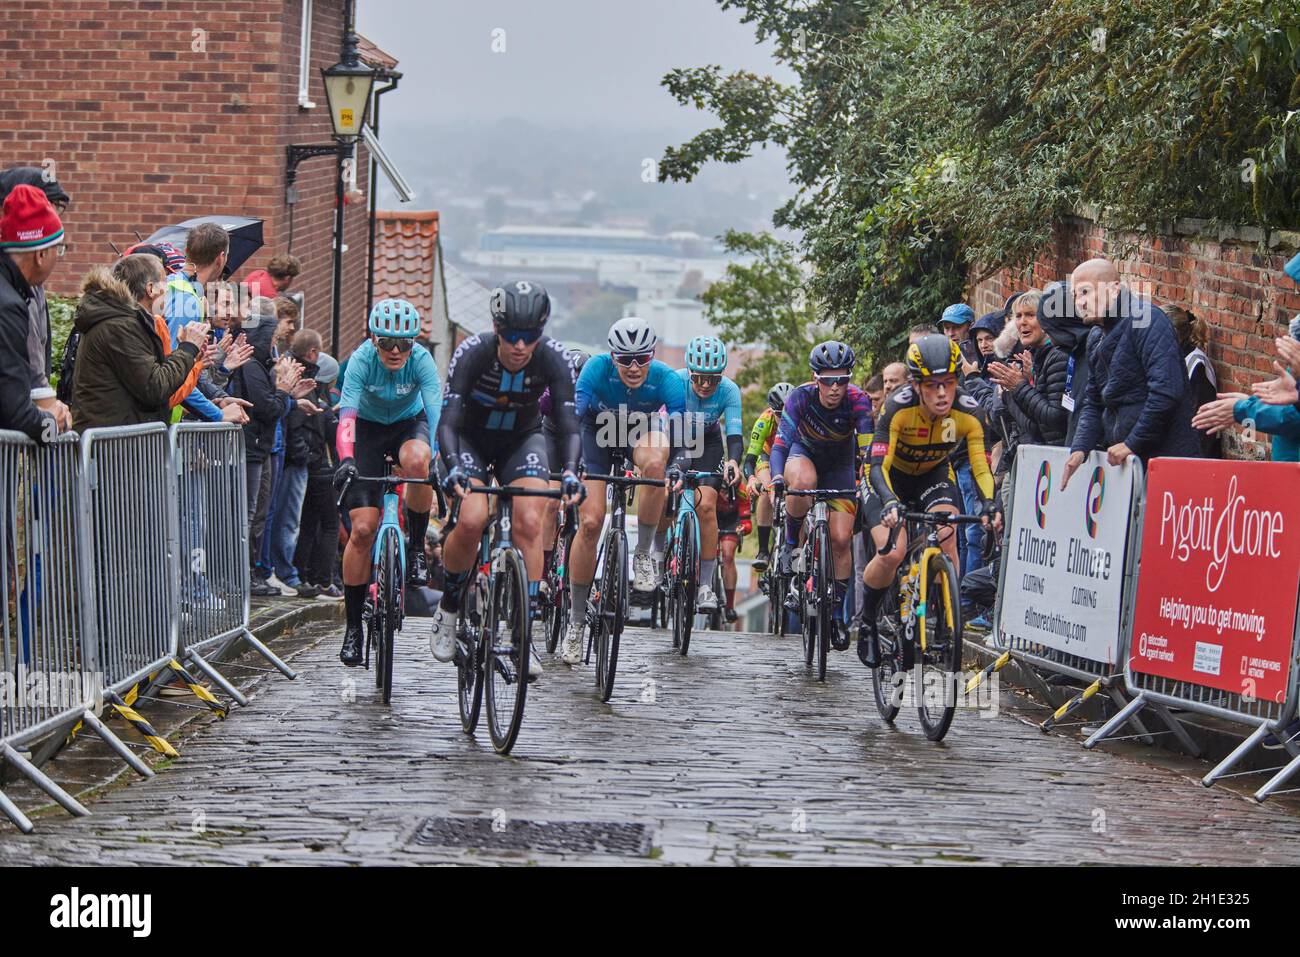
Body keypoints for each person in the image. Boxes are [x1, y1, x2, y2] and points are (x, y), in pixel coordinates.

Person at [431, 281, 583, 681]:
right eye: (511, 336)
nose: (519, 345)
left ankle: (523, 635)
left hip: (520, 440)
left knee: (531, 520)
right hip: (469, 440)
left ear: (541, 332)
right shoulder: (472, 353)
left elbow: (568, 425)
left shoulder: (553, 358)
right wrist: (454, 467)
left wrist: (569, 471)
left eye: (529, 336)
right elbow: (446, 423)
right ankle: (449, 605)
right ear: (497, 330)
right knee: (471, 517)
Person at [857, 334, 1001, 667]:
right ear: (917, 385)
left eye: (949, 383)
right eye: (932, 385)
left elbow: (981, 466)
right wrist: (890, 502)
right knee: (893, 551)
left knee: (948, 533)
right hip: (887, 478)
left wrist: (989, 504)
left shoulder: (969, 412)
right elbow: (878, 465)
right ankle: (867, 622)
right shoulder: (896, 407)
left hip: (933, 476)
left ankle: (942, 620)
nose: (941, 393)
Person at [563, 317, 687, 664]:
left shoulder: (665, 379)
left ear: (652, 355)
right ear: (612, 355)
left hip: (640, 431)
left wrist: (678, 466)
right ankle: (575, 623)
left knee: (655, 466)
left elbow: (680, 432)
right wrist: (573, 464)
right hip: (597, 434)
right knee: (590, 524)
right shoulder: (595, 370)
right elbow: (575, 417)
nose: (634, 367)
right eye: (625, 359)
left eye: (642, 358)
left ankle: (643, 554)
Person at [333, 298, 443, 668]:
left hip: (408, 426)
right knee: (362, 530)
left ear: (413, 344)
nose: (396, 351)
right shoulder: (361, 361)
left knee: (419, 461)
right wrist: (347, 459)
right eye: (387, 343)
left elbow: (434, 411)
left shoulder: (422, 361)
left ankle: (414, 547)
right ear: (374, 340)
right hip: (366, 431)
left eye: (404, 344)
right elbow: (346, 412)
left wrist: (440, 455)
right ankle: (353, 628)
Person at [1061, 258, 1201, 490]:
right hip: (1127, 465)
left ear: (1114, 289)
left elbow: (1166, 391)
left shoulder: (1146, 320)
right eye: (1076, 296)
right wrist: (1079, 449)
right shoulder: (1095, 337)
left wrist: (1131, 443)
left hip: (1165, 461)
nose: (1080, 303)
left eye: (1085, 292)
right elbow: (1093, 401)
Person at [769, 340, 874, 647]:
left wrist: (869, 482)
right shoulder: (800, 398)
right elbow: (780, 445)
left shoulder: (858, 400)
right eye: (827, 381)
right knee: (801, 480)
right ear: (815, 378)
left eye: (842, 380)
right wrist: (777, 476)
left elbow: (867, 452)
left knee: (842, 539)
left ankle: (837, 616)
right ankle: (792, 545)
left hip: (840, 463)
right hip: (805, 455)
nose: (834, 388)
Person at [69, 254, 212, 430]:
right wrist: (187, 348)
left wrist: (189, 355)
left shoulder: (124, 322)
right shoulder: (121, 326)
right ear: (150, 289)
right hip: (115, 447)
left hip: (121, 441)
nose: (168, 292)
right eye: (165, 284)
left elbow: (149, 379)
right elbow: (155, 387)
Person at [229, 297, 306, 593]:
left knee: (259, 513)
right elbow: (267, 406)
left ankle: (251, 573)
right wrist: (285, 391)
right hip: (251, 448)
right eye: (271, 334)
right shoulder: (251, 368)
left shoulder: (262, 366)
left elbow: (276, 404)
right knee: (248, 514)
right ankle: (244, 575)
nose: (275, 341)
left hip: (261, 447)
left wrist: (288, 395)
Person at [670, 335, 744, 614]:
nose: (704, 385)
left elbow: (734, 435)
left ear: (721, 376)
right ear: (689, 372)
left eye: (712, 379)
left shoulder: (729, 391)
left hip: (709, 443)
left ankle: (705, 586)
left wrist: (734, 462)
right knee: (665, 490)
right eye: (699, 378)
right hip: (675, 438)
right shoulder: (675, 382)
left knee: (707, 505)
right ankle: (656, 551)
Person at [0, 167, 72, 431]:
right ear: (40, 254)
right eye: (59, 248)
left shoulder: (17, 288)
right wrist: (51, 425)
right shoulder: (10, 303)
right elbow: (15, 404)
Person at [164, 223, 244, 424]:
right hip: (163, 421)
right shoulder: (187, 300)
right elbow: (173, 374)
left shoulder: (174, 283)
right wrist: (217, 414)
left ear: (186, 252)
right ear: (220, 258)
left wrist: (217, 401)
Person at [270, 328, 328, 596]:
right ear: (313, 352)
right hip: (296, 460)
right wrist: (303, 453)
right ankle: (285, 571)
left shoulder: (299, 370)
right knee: (288, 518)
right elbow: (295, 421)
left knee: (287, 517)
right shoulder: (299, 374)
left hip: (296, 457)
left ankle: (285, 570)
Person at [293, 351, 343, 599]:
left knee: (309, 523)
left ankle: (302, 572)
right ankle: (323, 579)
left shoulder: (310, 398)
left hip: (310, 467)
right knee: (330, 525)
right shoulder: (323, 404)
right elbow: (333, 438)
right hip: (324, 469)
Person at [742, 381, 794, 572]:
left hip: (792, 456)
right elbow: (749, 460)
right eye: (780, 415)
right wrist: (751, 479)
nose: (784, 419)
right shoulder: (765, 420)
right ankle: (763, 550)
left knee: (799, 494)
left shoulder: (803, 417)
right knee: (767, 490)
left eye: (788, 414)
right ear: (773, 412)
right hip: (768, 455)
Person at [1167, 305, 1221, 459]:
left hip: (1194, 456)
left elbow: (1203, 424)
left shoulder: (1196, 364)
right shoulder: (1171, 357)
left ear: (1174, 334)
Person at [715, 477, 751, 623]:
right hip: (713, 517)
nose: (725, 496)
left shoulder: (742, 491)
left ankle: (729, 606)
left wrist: (742, 528)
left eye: (728, 492)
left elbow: (747, 523)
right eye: (722, 491)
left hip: (732, 522)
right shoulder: (712, 486)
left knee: (728, 556)